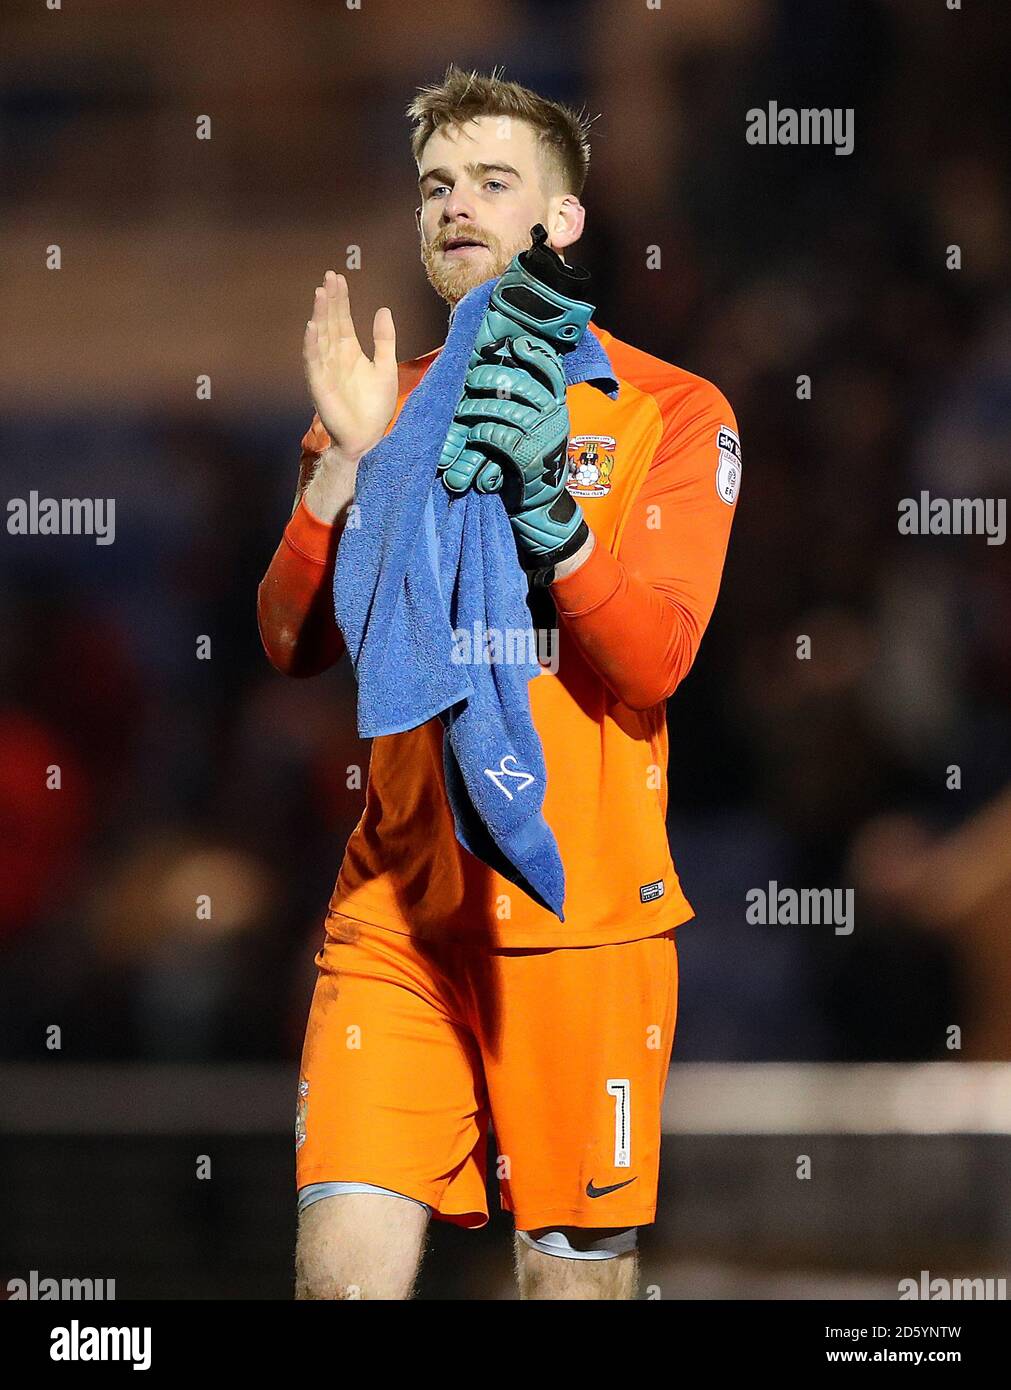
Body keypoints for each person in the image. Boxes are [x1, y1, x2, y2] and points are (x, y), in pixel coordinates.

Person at [257, 63, 742, 1300]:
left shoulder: (671, 413)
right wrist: (340, 472)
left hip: (583, 923)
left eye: (491, 181)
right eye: (434, 186)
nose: (455, 205)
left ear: (562, 220)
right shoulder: (382, 401)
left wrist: (554, 514)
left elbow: (653, 660)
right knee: (339, 1287)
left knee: (565, 1287)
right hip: (397, 919)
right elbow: (291, 641)